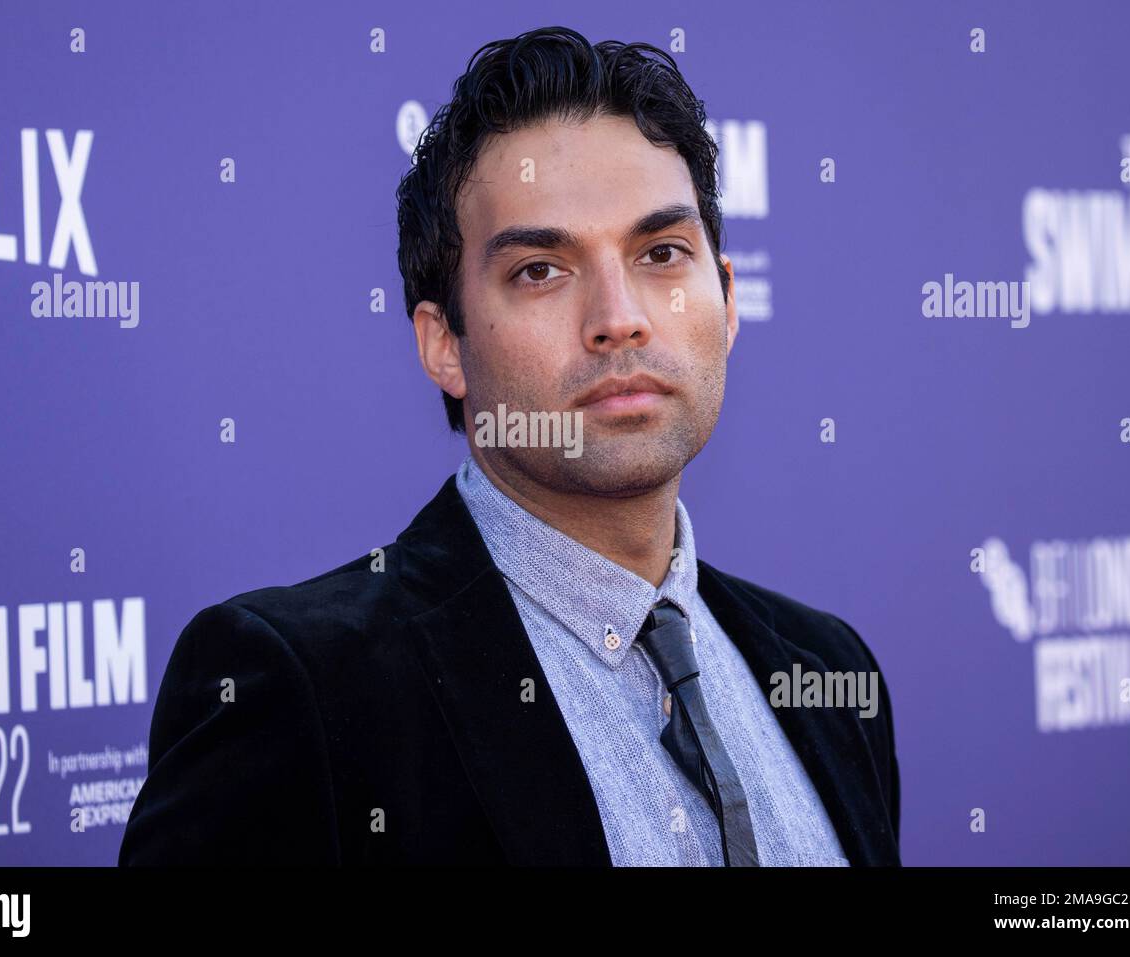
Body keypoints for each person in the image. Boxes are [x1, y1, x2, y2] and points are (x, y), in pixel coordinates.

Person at [119, 25, 900, 867]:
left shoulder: (826, 671)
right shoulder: (306, 691)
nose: (618, 317)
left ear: (728, 297)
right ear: (443, 344)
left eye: (662, 253)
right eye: (540, 270)